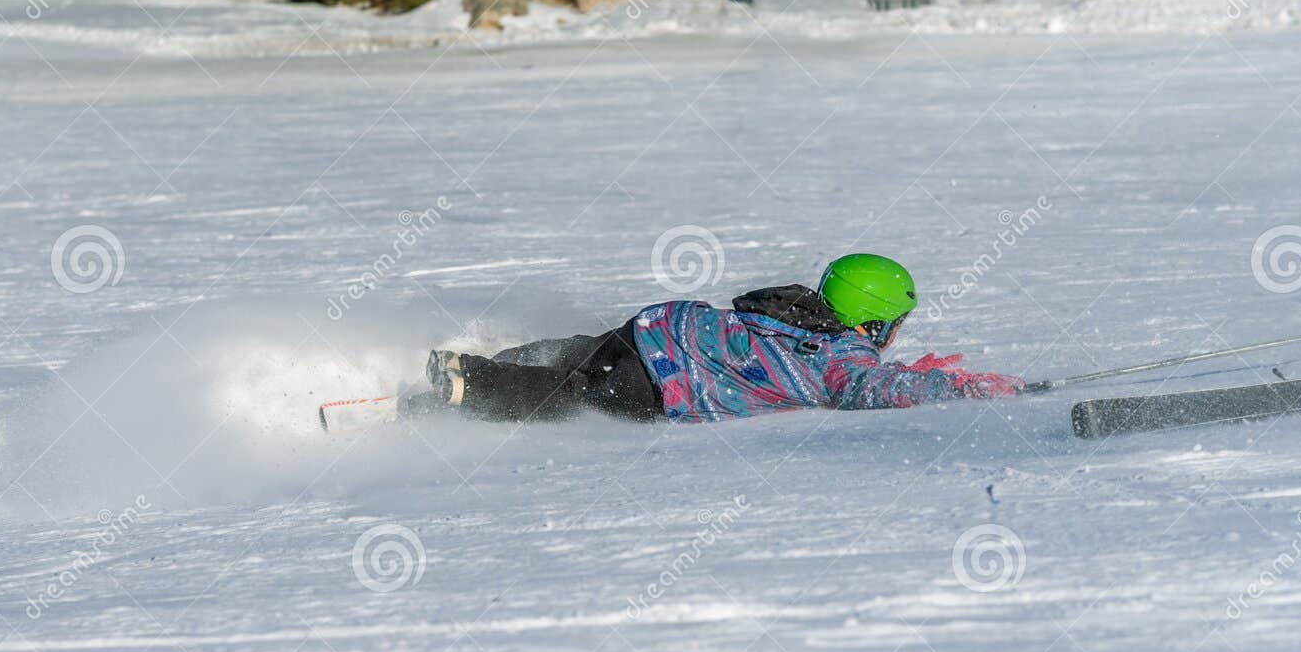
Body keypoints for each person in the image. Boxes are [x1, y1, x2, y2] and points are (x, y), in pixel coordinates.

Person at [418, 253, 1025, 424]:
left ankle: (471, 364)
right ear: (873, 321)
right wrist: (954, 387)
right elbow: (867, 389)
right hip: (663, 384)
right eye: (892, 326)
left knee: (576, 354)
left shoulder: (797, 312)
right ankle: (468, 386)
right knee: (572, 396)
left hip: (651, 331)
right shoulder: (837, 355)